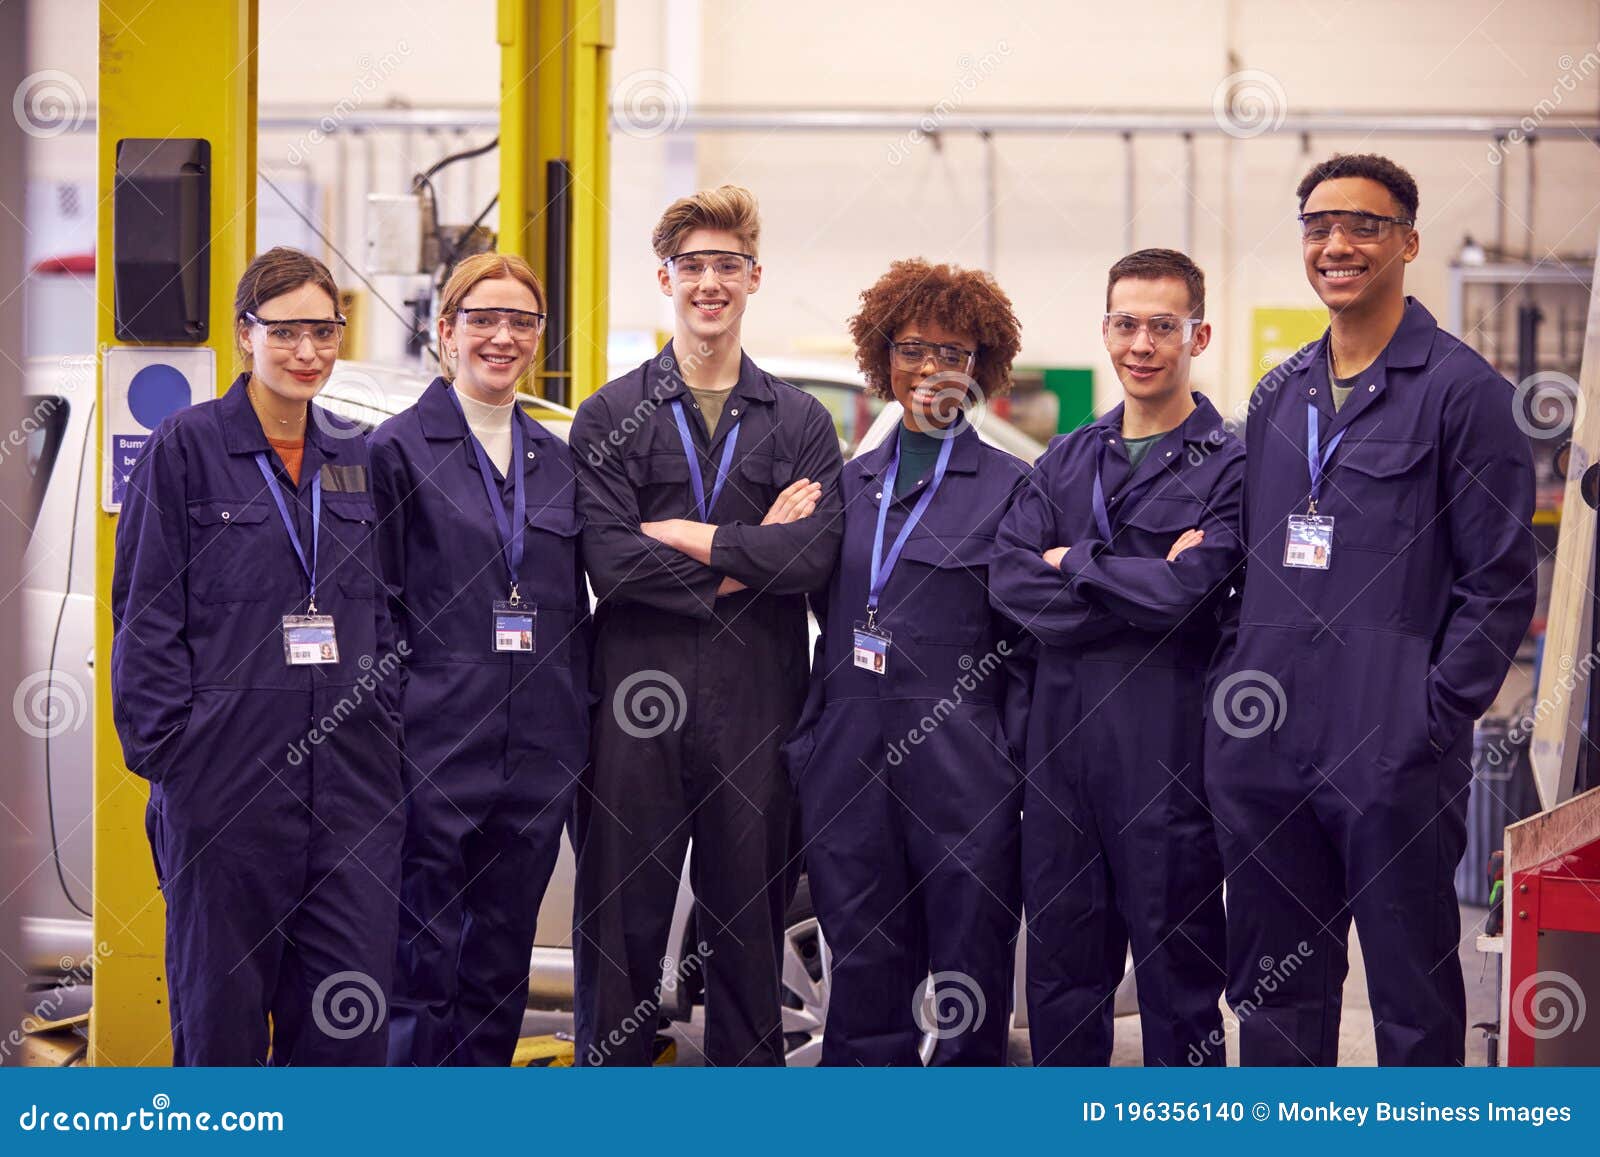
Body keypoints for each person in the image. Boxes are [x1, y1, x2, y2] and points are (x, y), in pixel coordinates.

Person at [1205, 153, 1537, 1065]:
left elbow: (1500, 579)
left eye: (1363, 225)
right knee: (1273, 991)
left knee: (1411, 995)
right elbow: (1253, 563)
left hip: (1392, 751)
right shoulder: (1279, 395)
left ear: (1408, 243)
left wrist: (1426, 719)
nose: (1337, 244)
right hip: (1266, 741)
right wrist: (1235, 692)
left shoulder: (1465, 392)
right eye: (1318, 227)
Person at [569, 186, 844, 1066]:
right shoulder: (608, 415)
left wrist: (688, 536)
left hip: (758, 702)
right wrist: (753, 550)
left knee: (749, 929)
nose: (710, 283)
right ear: (666, 278)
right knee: (620, 928)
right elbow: (610, 562)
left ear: (754, 277)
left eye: (728, 265)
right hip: (634, 703)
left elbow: (811, 559)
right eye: (693, 266)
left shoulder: (801, 419)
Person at [111, 246, 403, 1065]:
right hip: (226, 788)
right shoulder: (186, 448)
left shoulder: (356, 456)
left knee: (346, 1028)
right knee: (222, 1028)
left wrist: (383, 729)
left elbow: (386, 608)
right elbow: (144, 613)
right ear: (246, 334)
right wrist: (178, 759)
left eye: (323, 331)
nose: (307, 351)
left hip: (350, 793)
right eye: (285, 332)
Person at [990, 248, 1240, 1067]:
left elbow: (1189, 594)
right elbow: (1010, 579)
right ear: (1105, 329)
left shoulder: (1231, 464)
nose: (1142, 344)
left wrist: (1075, 561)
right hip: (1060, 763)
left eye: (1163, 326)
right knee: (1061, 981)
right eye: (1126, 324)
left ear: (1198, 335)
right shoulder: (1067, 456)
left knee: (1179, 984)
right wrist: (1140, 584)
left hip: (1166, 762)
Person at [784, 259, 1029, 1066]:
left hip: (963, 763)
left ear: (982, 366)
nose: (931, 368)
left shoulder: (1013, 488)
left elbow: (1028, 644)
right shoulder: (845, 485)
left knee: (969, 964)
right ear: (881, 356)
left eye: (953, 352)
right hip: (849, 758)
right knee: (861, 963)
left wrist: (1009, 760)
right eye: (912, 348)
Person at [370, 253, 590, 1066]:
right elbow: (376, 609)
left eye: (521, 321)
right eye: (483, 319)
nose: (503, 337)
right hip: (431, 748)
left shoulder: (557, 461)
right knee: (418, 959)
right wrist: (398, 727)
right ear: (446, 330)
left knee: (501, 962)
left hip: (535, 754)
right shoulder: (395, 450)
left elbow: (576, 603)